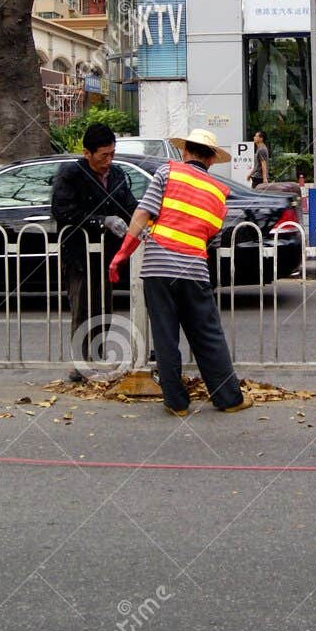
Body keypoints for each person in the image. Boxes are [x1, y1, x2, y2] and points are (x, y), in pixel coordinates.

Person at [109, 130, 250, 416]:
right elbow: (212, 236)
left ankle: (176, 403)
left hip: (158, 268)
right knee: (208, 335)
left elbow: (142, 215)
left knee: (165, 336)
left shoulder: (166, 172)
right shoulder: (218, 192)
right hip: (195, 270)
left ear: (185, 152)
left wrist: (122, 255)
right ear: (210, 159)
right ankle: (228, 398)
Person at [51, 122, 139, 381]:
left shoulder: (118, 175)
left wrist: (137, 224)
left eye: (112, 154)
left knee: (104, 308)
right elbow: (63, 211)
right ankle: (80, 363)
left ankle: (97, 358)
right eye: (103, 156)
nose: (109, 161)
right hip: (79, 255)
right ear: (87, 153)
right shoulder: (70, 174)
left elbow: (129, 206)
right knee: (82, 308)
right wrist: (102, 220)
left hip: (108, 256)